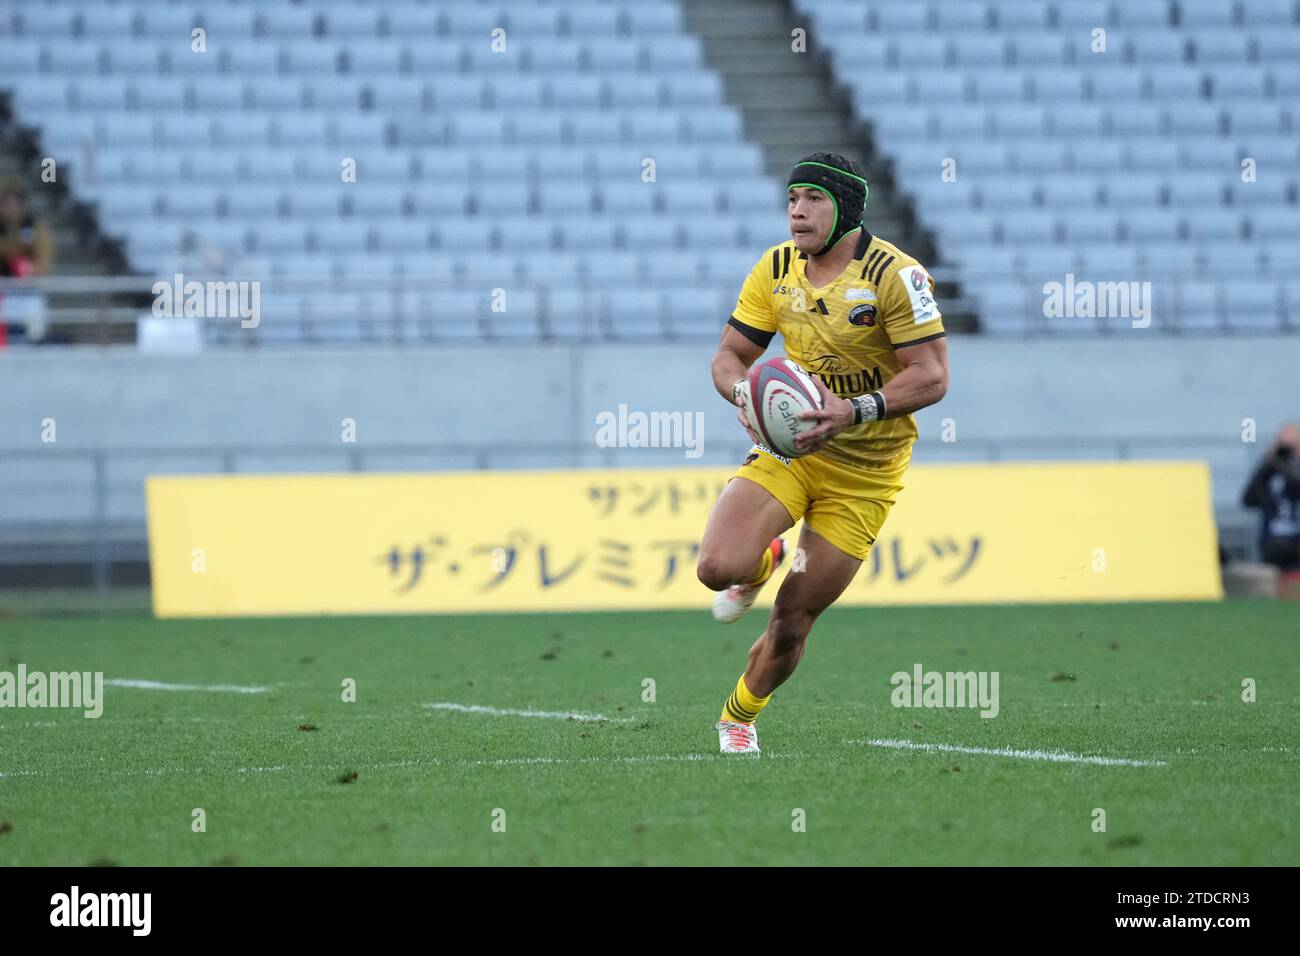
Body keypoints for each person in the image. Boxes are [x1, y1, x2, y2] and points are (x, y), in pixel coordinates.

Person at [697, 152, 950, 754]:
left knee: (793, 620)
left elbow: (933, 377)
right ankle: (762, 562)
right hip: (793, 453)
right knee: (717, 569)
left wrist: (853, 410)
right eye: (791, 199)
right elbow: (729, 356)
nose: (797, 212)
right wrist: (744, 395)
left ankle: (738, 718)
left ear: (846, 209)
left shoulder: (896, 276)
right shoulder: (776, 268)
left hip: (866, 474)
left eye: (813, 199)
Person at [0, 177, 54, 343]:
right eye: (7, 204)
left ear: (22, 205)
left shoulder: (35, 227)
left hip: (27, 290)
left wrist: (33, 276)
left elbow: (45, 258)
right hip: (2, 290)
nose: (11, 209)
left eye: (15, 204)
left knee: (34, 329)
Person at [1241, 424, 1300, 571]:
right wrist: (1269, 461)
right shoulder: (1268, 473)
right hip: (1272, 542)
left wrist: (1290, 463)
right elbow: (1248, 500)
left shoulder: (1293, 471)